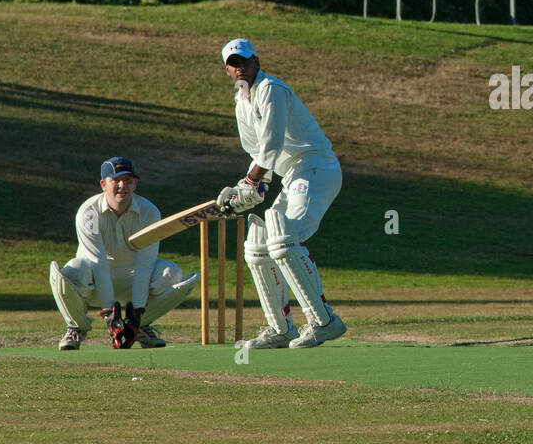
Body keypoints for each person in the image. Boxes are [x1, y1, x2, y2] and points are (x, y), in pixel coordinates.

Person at [217, 38, 347, 349]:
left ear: (256, 63)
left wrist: (248, 183)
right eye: (233, 64)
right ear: (226, 70)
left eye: (244, 62)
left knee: (284, 240)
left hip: (316, 168)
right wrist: (250, 188)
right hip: (293, 175)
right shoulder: (242, 103)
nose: (239, 69)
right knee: (258, 246)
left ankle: (325, 322)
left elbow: (272, 147)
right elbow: (260, 154)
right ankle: (281, 328)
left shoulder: (271, 89)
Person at [49, 157, 197, 350]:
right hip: (92, 282)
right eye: (115, 180)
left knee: (172, 273)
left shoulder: (149, 212)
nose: (122, 186)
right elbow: (97, 262)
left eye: (128, 180)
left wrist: (136, 313)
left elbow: (146, 263)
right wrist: (110, 314)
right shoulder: (89, 213)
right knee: (72, 271)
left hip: (132, 279)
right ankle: (76, 327)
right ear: (103, 184)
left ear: (135, 184)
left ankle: (141, 325)